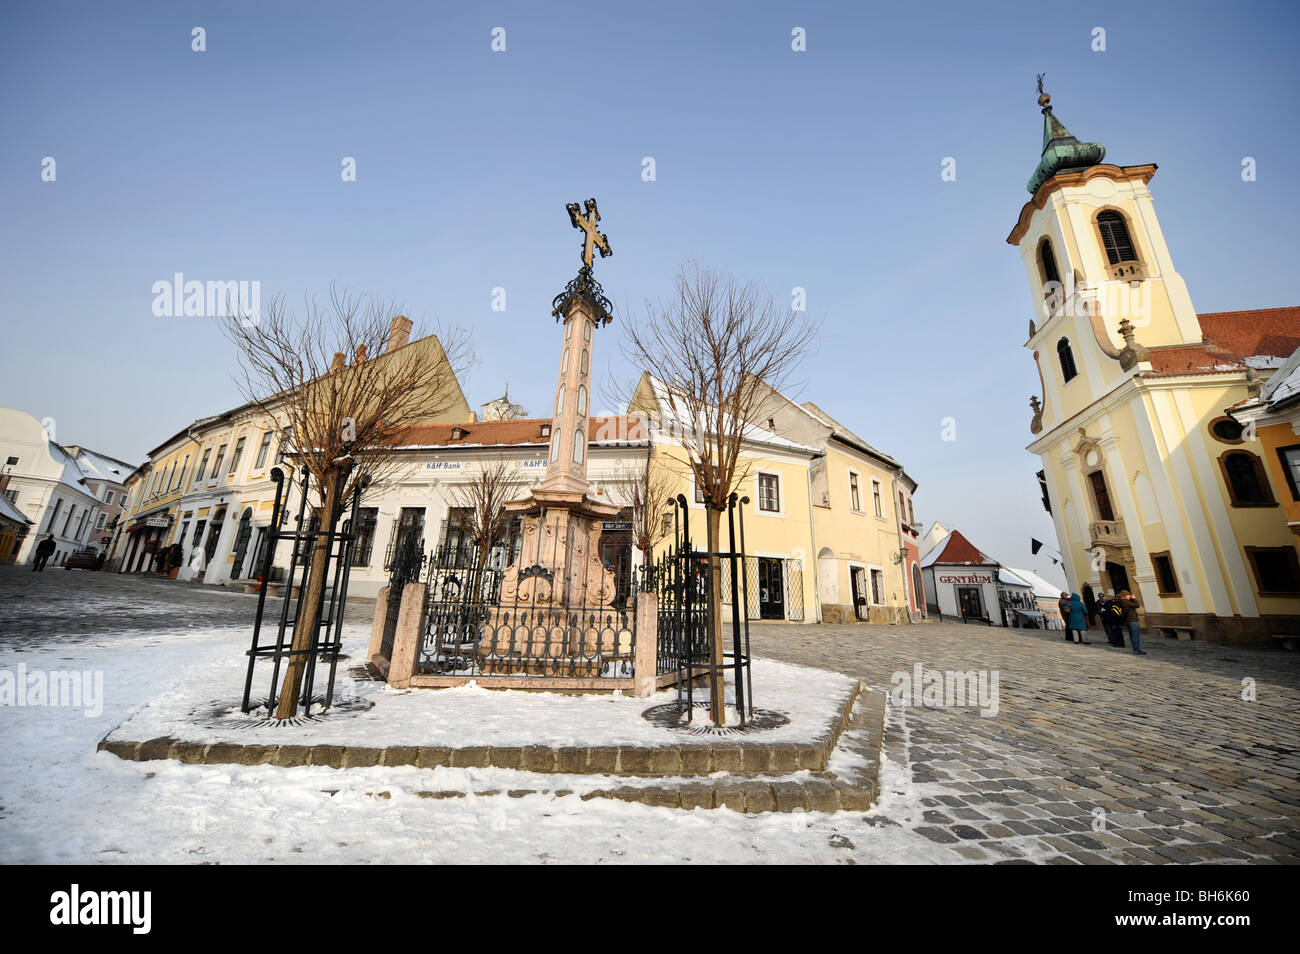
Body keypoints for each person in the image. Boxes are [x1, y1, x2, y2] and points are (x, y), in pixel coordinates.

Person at [1119, 589, 1145, 655]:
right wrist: (1134, 599)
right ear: (1125, 595)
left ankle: (1135, 648)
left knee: (1133, 635)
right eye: (1128, 595)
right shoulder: (1125, 601)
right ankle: (1136, 649)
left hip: (1129, 620)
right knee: (1135, 635)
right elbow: (1137, 605)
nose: (1129, 596)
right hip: (1132, 620)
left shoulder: (1123, 601)